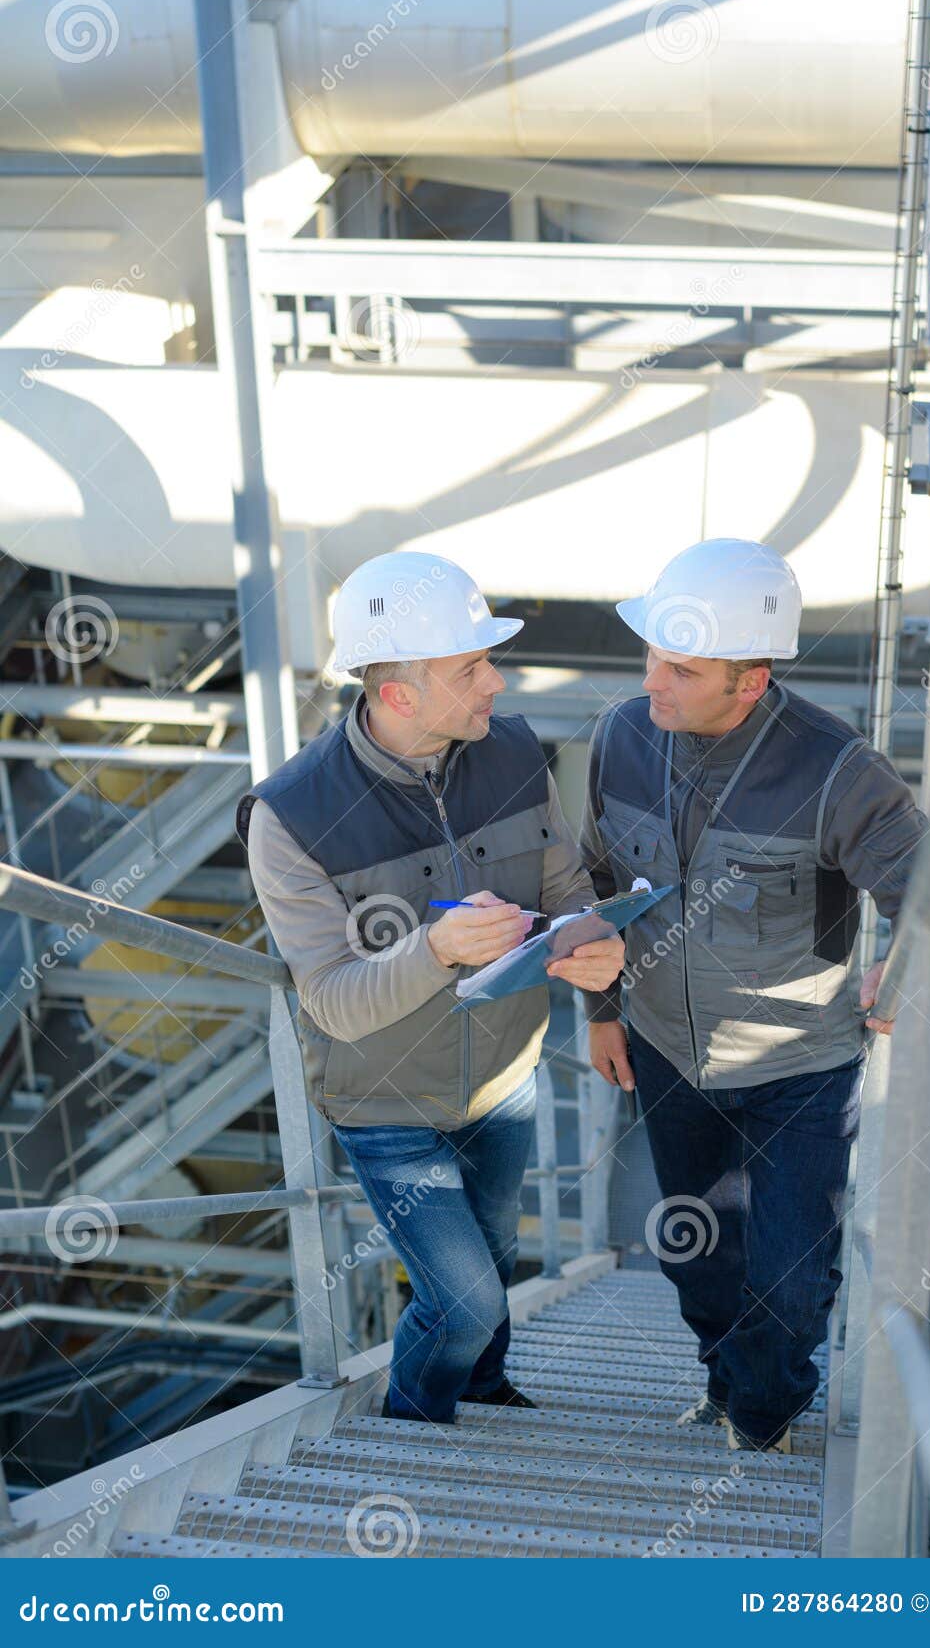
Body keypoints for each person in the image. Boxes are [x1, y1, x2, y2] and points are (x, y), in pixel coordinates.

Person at [579, 538, 930, 1454]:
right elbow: (598, 883)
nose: (652, 683)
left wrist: (907, 969)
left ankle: (763, 1418)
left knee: (789, 1279)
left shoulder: (839, 772)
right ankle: (726, 1382)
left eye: (680, 668)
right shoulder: (622, 738)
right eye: (651, 657)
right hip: (669, 1053)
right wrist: (601, 1012)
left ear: (749, 683)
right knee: (696, 1259)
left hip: (801, 1066)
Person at [238, 550, 623, 1423]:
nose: (497, 681)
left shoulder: (512, 748)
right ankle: (413, 1414)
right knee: (466, 1300)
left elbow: (565, 891)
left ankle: (483, 1389)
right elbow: (332, 998)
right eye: (471, 667)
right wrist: (437, 949)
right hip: (386, 1106)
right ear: (399, 694)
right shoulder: (287, 816)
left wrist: (594, 948)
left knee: (493, 1259)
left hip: (504, 1079)